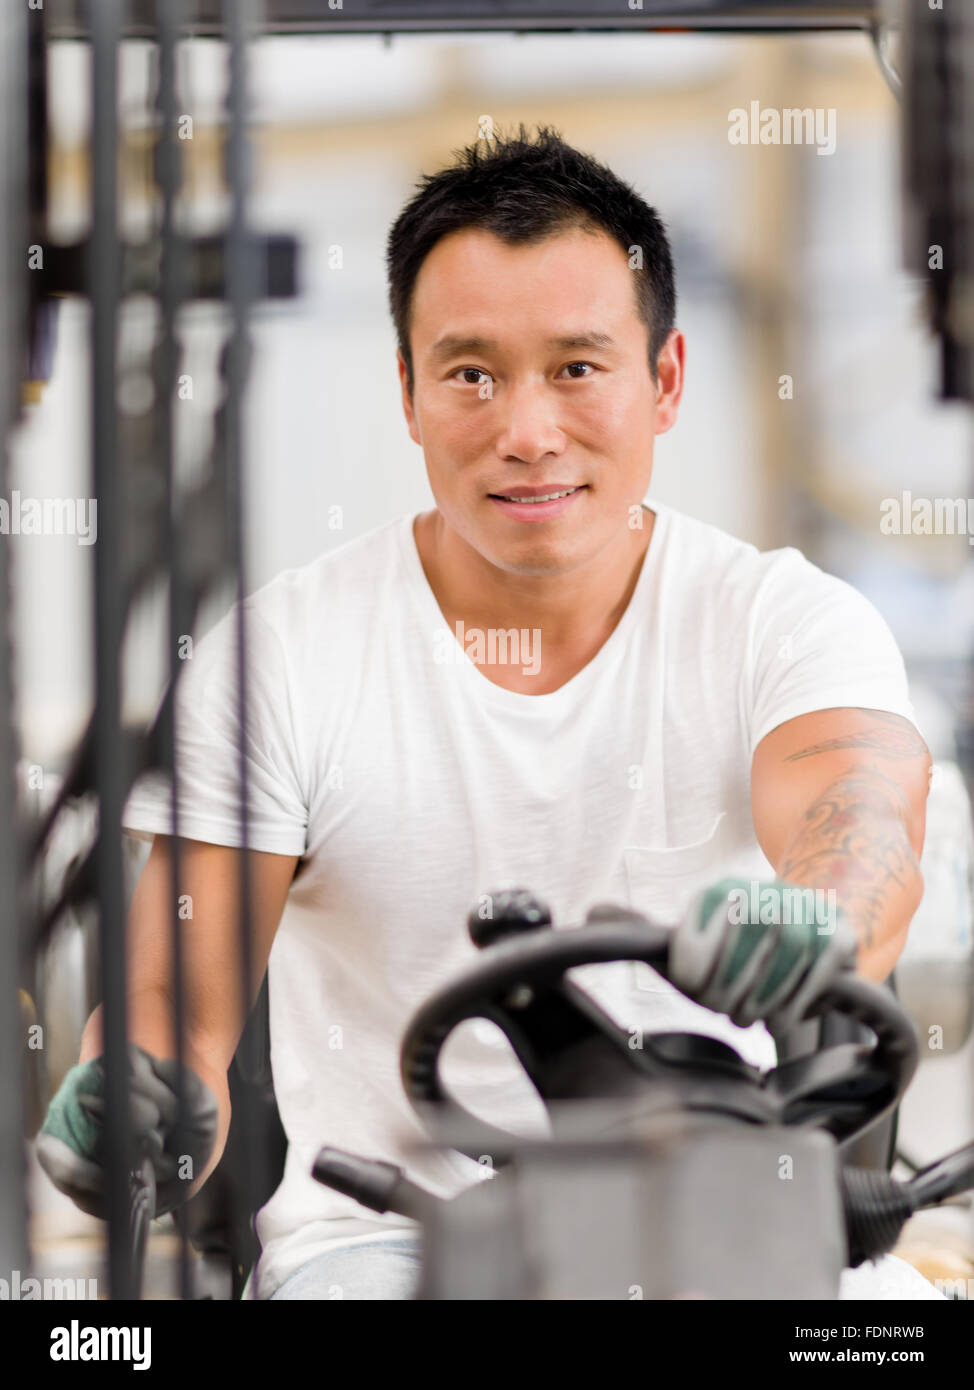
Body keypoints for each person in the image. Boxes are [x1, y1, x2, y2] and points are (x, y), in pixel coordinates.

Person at [38, 125, 940, 1301]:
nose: (525, 432)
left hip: (719, 1216)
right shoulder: (280, 659)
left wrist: (810, 911)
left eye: (575, 367)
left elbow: (859, 813)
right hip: (384, 1242)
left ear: (662, 381)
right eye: (471, 373)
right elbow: (177, 1005)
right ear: (408, 393)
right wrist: (137, 1106)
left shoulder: (781, 621)